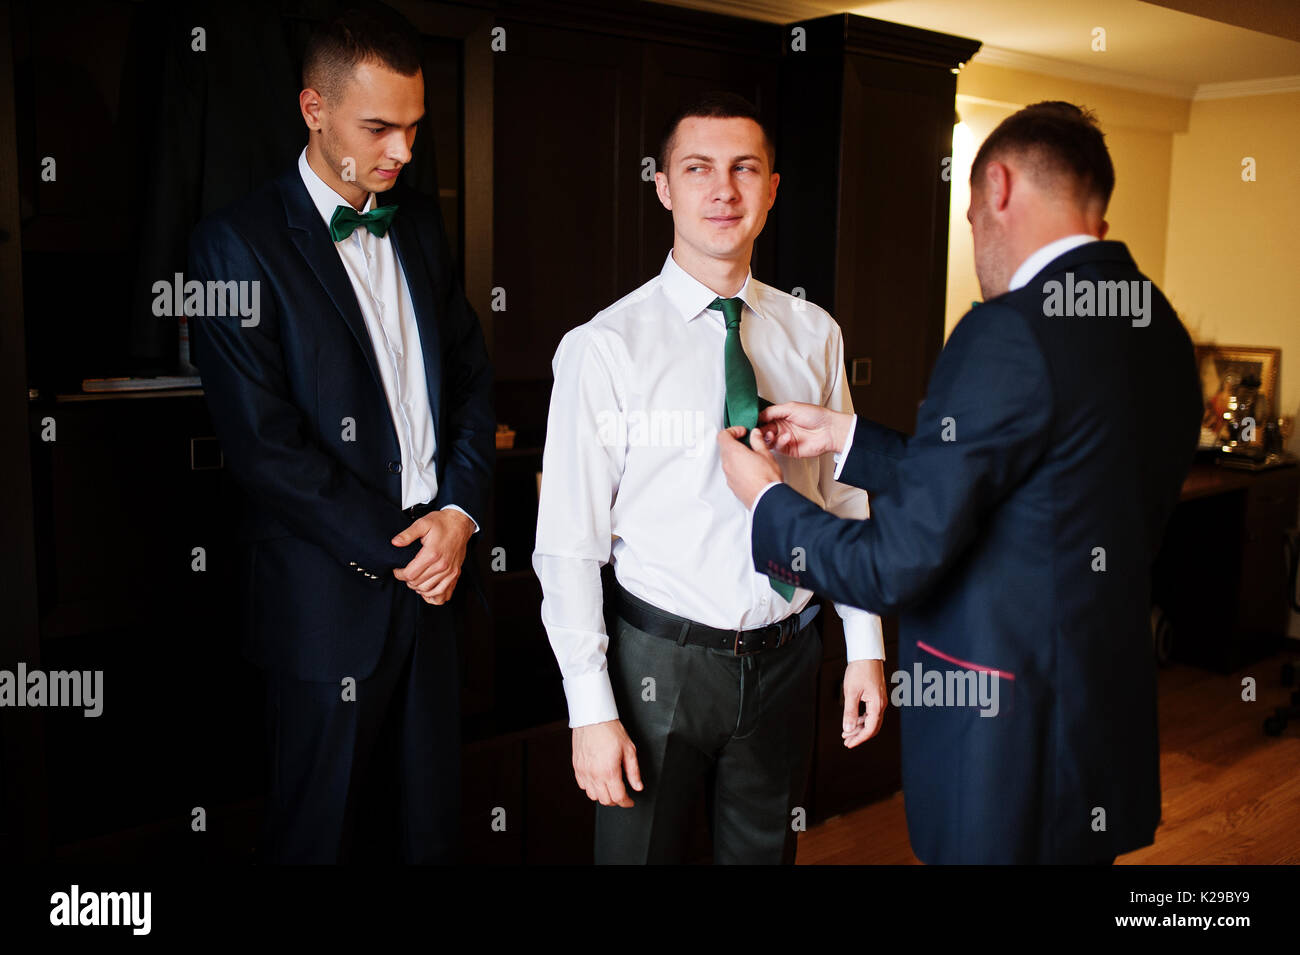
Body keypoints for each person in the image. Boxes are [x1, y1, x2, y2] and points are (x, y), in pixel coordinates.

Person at [718, 101, 1203, 864]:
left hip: (1002, 744)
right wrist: (847, 438)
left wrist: (767, 503)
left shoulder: (1006, 328)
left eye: (972, 215)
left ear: (999, 186)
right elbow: (1031, 493)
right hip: (1093, 731)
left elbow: (889, 564)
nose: (976, 237)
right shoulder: (1160, 326)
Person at [532, 91, 887, 864]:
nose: (723, 190)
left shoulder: (814, 332)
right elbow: (567, 545)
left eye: (744, 169)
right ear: (663, 186)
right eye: (698, 169)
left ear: (772, 187)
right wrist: (589, 709)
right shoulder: (604, 347)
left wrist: (864, 646)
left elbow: (844, 498)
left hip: (790, 656)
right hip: (658, 665)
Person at [187, 8, 493, 863]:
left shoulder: (422, 227)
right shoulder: (233, 246)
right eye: (379, 127)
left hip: (439, 589)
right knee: (317, 838)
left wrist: (461, 514)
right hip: (323, 603)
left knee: (428, 830)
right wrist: (404, 549)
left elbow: (469, 382)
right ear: (313, 109)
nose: (402, 150)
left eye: (414, 127)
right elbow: (264, 447)